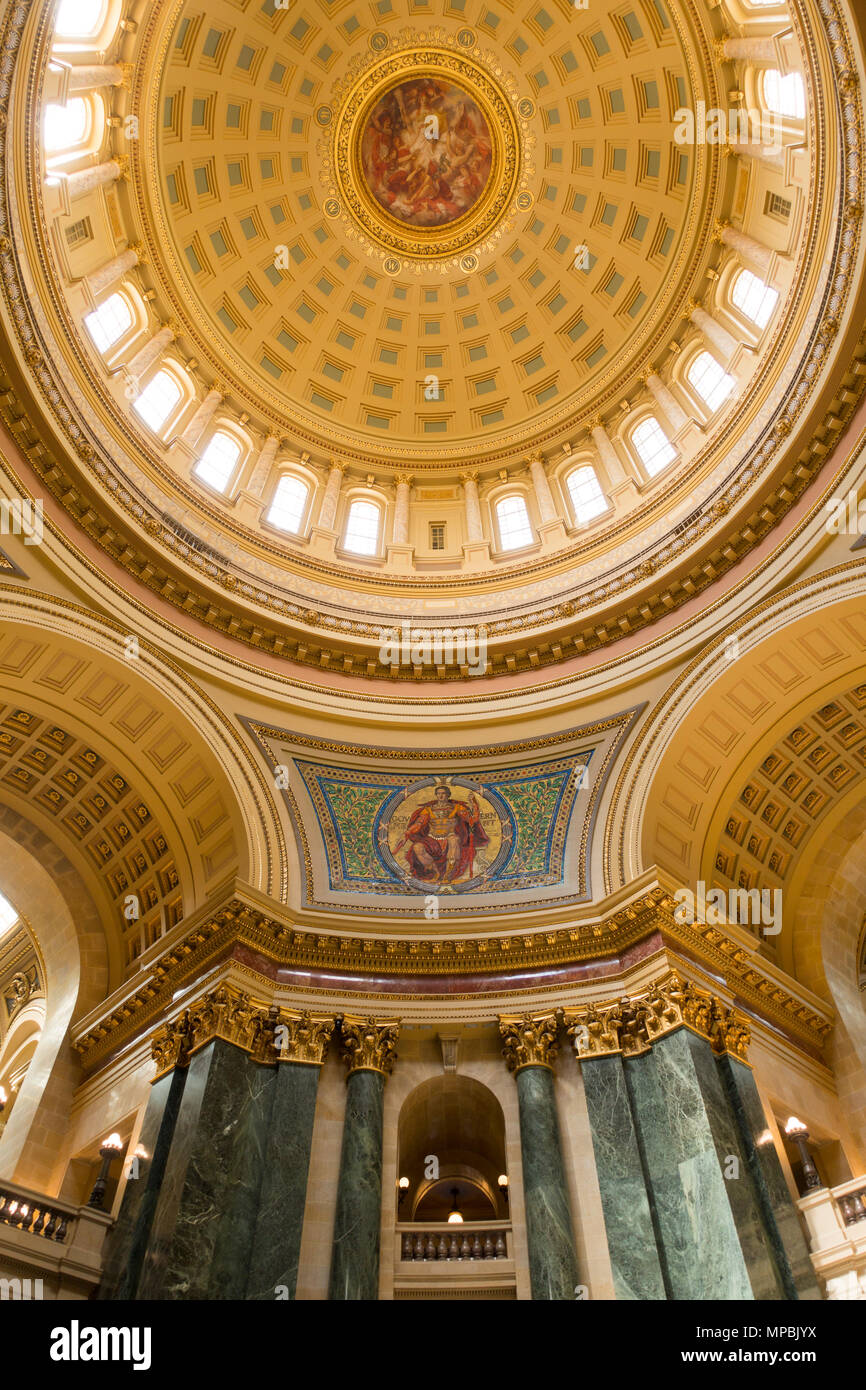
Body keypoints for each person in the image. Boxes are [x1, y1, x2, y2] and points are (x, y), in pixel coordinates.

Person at [395, 784, 489, 884]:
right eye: (438, 794)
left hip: (449, 836)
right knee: (417, 847)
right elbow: (419, 824)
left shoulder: (457, 808)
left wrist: (474, 804)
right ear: (436, 795)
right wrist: (407, 833)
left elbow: (472, 820)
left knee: (454, 840)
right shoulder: (428, 810)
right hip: (432, 839)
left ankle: (448, 875)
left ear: (448, 795)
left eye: (443, 793)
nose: (441, 796)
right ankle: (436, 873)